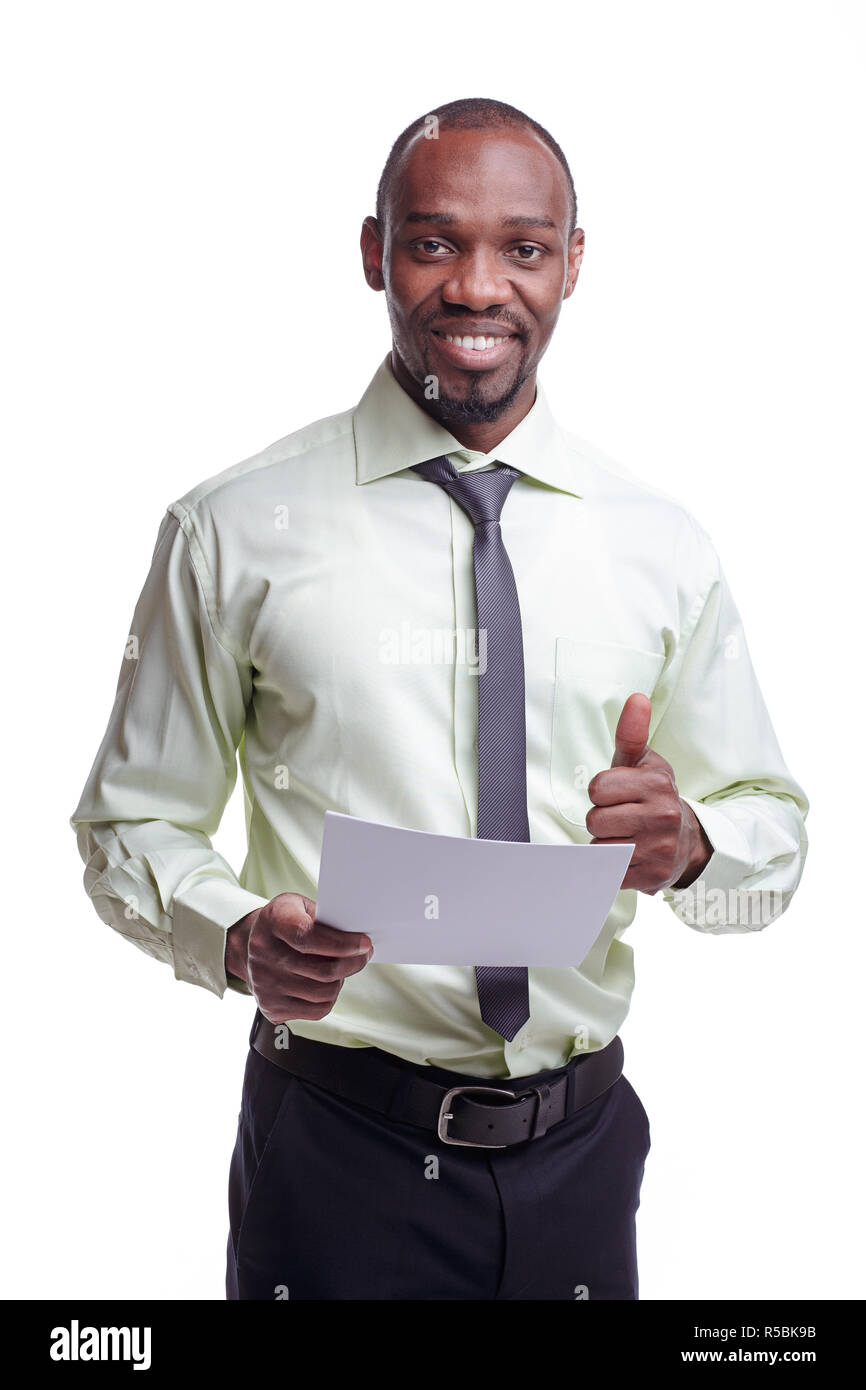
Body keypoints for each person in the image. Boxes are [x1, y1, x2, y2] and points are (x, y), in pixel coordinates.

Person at [69, 97, 809, 1301]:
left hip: (580, 1157)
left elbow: (773, 834)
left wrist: (691, 846)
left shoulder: (659, 545)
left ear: (572, 262)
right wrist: (236, 938)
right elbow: (128, 823)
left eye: (521, 247)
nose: (476, 287)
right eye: (432, 242)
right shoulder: (232, 529)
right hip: (336, 1153)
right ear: (373, 252)